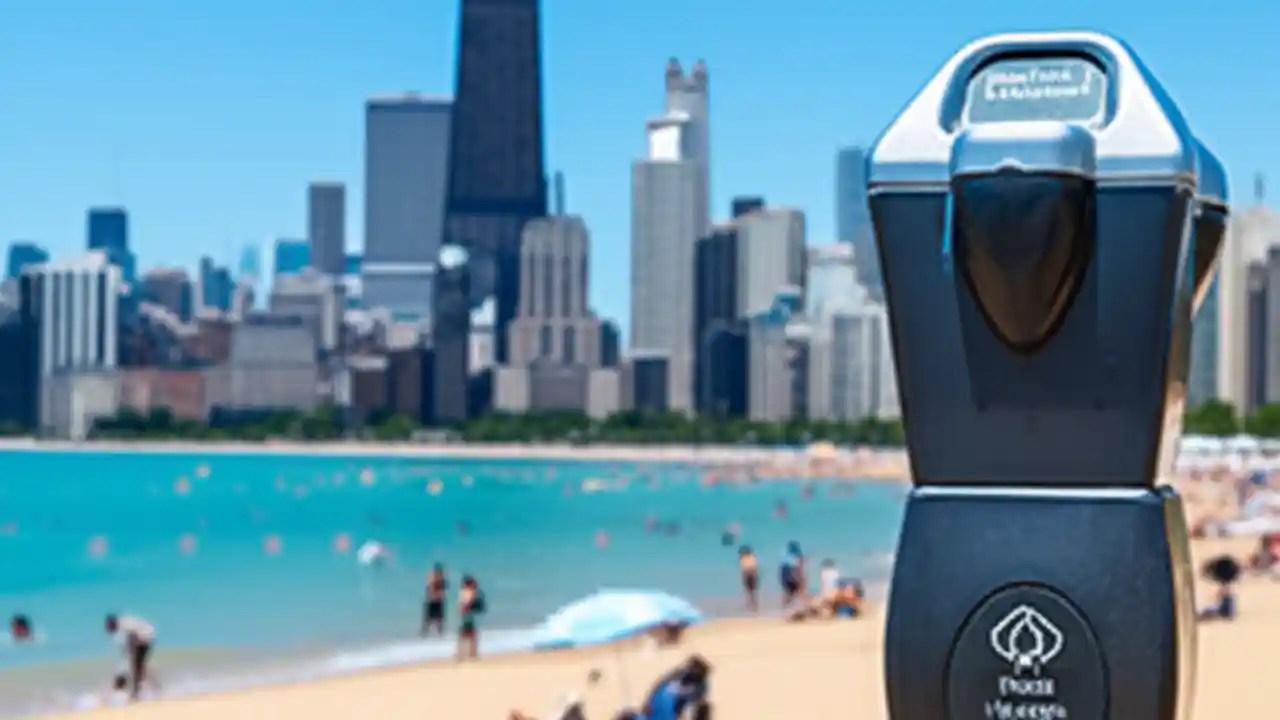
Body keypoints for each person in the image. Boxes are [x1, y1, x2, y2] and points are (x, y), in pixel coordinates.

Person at [105, 614, 156, 701]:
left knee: (137, 668)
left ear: (113, 623)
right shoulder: (121, 629)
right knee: (137, 668)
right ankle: (139, 690)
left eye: (109, 626)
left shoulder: (126, 624)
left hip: (145, 639)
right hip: (142, 641)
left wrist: (131, 655)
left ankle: (137, 692)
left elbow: (133, 639)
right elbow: (127, 647)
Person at [457, 575, 485, 660]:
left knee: (467, 634)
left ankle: (464, 653)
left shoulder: (464, 591)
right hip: (468, 614)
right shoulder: (468, 592)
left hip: (466, 614)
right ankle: (470, 653)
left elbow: (462, 605)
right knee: (470, 634)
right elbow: (468, 603)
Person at [422, 563, 448, 636]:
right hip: (434, 599)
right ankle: (427, 631)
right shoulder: (433, 577)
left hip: (437, 599)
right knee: (431, 617)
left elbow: (444, 588)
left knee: (438, 617)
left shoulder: (440, 578)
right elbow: (429, 588)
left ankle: (439, 632)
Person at [779, 541, 805, 608]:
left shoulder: (785, 555)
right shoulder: (798, 555)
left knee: (788, 592)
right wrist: (801, 579)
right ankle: (793, 606)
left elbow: (782, 569)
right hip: (793, 571)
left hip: (784, 573)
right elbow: (799, 568)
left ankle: (786, 607)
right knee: (797, 591)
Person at [738, 546, 759, 612]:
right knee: (753, 591)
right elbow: (755, 567)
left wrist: (743, 577)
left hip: (748, 574)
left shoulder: (743, 559)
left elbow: (743, 569)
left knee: (749, 591)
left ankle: (750, 605)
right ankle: (754, 606)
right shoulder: (753, 557)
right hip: (752, 574)